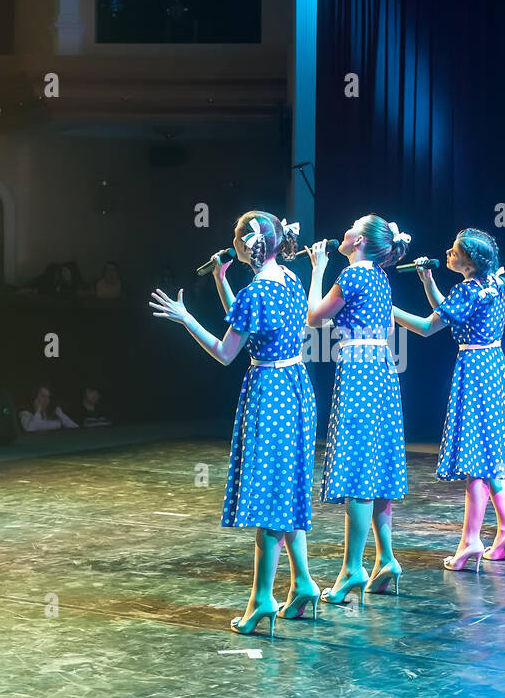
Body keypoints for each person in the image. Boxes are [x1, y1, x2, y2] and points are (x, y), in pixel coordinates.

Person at [152, 210, 321, 635]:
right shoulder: (289, 279)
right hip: (296, 387)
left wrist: (186, 317)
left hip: (270, 392)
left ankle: (262, 599)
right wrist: (220, 279)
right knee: (287, 492)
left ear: (250, 244)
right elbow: (246, 323)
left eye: (238, 238)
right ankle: (302, 583)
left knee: (269, 499)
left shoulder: (255, 292)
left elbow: (227, 351)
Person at [393, 228, 505, 570]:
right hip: (493, 368)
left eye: (454, 250)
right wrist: (427, 280)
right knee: (490, 454)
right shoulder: (490, 284)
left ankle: (470, 541)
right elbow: (450, 312)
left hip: (476, 371)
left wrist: (387, 308)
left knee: (476, 461)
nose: (448, 252)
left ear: (469, 261)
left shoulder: (469, 289)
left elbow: (425, 327)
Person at [304, 214, 410, 602]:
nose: (344, 231)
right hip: (380, 370)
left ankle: (352, 569)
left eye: (351, 227)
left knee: (359, 471)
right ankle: (385, 558)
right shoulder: (378, 277)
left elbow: (314, 319)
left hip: (361, 372)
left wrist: (318, 269)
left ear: (360, 240)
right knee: (375, 468)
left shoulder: (353, 276)